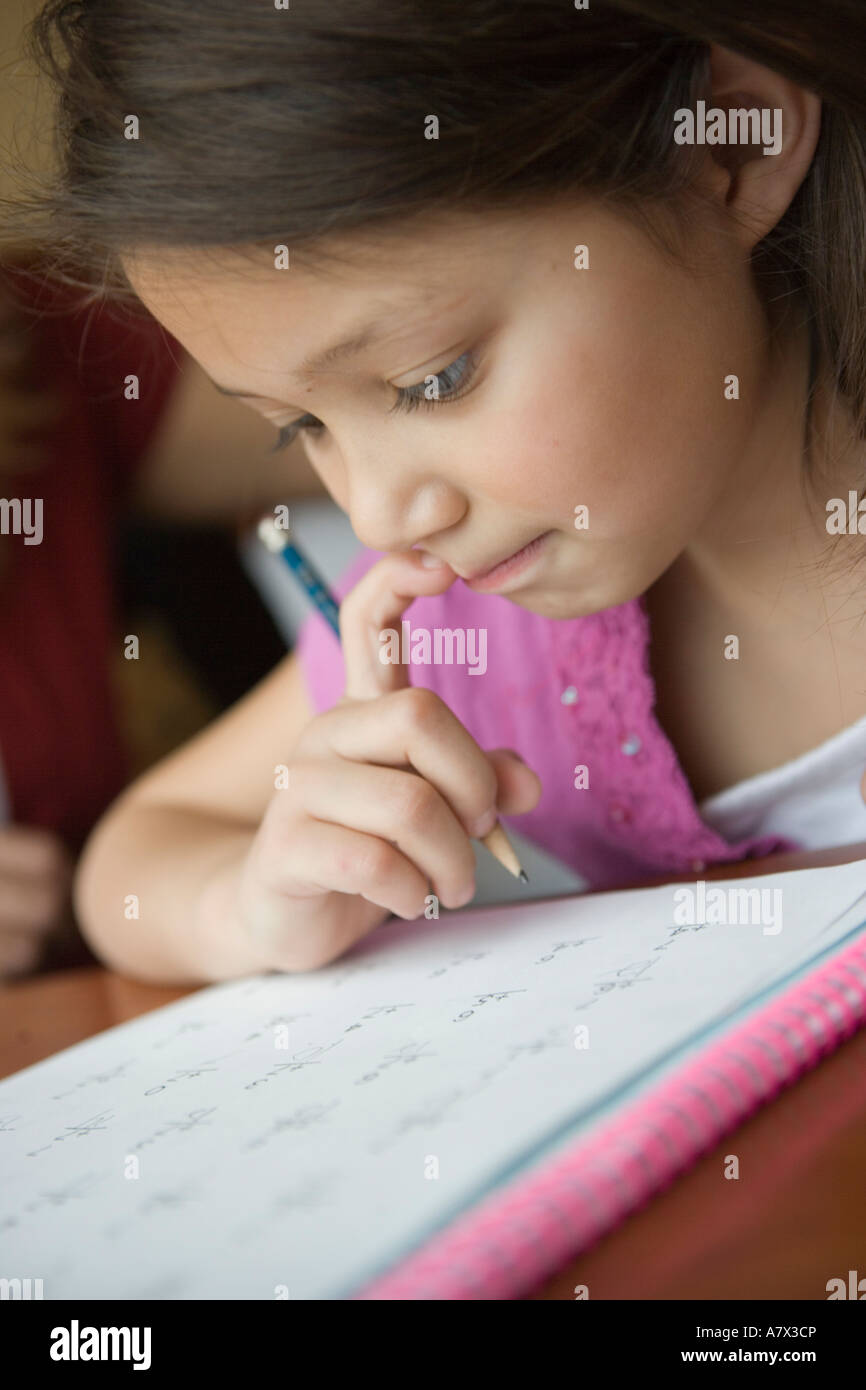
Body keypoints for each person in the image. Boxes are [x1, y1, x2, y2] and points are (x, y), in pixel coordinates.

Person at [8, 0, 866, 984]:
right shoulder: (470, 633)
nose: (376, 516)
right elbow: (132, 858)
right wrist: (253, 902)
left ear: (727, 148)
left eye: (434, 379)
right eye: (302, 428)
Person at [0, 251, 321, 975]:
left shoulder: (48, 347)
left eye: (438, 382)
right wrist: (240, 912)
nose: (398, 507)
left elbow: (366, 394)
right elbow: (132, 865)